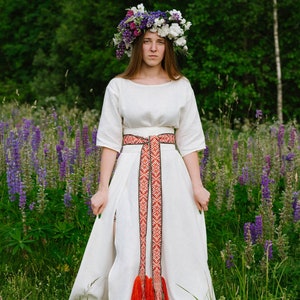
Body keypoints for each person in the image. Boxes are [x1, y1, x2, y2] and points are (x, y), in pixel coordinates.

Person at [69, 3, 215, 300]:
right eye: (147, 41)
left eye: (160, 42)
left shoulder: (181, 86)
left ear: (167, 47)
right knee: (128, 242)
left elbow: (188, 141)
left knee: (177, 242)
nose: (153, 48)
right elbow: (110, 140)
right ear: (137, 45)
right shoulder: (119, 86)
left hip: (172, 173)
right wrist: (102, 188)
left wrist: (198, 186)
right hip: (130, 171)